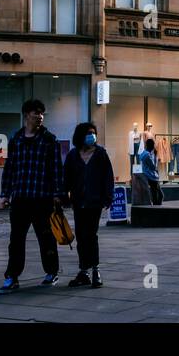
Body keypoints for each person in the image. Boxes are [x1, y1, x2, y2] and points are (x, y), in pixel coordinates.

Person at [0, 99, 65, 292]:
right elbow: (10, 168)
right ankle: (12, 276)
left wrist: (57, 194)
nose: (40, 116)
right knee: (16, 240)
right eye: (36, 112)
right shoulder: (16, 139)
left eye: (42, 113)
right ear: (26, 115)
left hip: (42, 198)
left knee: (46, 238)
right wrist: (5, 194)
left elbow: (56, 169)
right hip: (20, 198)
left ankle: (51, 272)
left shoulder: (49, 139)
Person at [63, 121, 114, 289]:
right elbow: (66, 178)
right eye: (88, 133)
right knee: (81, 236)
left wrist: (108, 197)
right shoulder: (72, 155)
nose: (92, 136)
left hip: (94, 202)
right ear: (80, 136)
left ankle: (95, 270)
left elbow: (108, 177)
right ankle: (83, 270)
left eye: (93, 133)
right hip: (78, 202)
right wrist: (62, 196)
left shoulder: (100, 154)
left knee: (91, 235)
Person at [140, 137, 163, 205]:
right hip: (152, 177)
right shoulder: (148, 155)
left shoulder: (143, 153)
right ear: (152, 146)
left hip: (148, 175)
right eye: (153, 145)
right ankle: (156, 210)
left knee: (157, 196)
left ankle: (156, 209)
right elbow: (153, 167)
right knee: (158, 196)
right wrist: (156, 157)